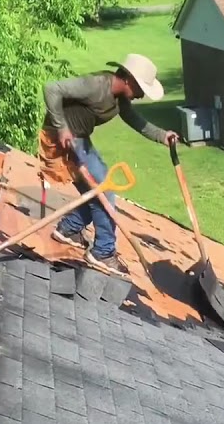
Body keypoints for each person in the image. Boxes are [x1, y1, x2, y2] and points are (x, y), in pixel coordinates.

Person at [38, 53, 179, 274]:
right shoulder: (96, 86)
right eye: (141, 89)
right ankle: (103, 252)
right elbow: (52, 89)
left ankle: (68, 229)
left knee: (95, 191)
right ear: (128, 80)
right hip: (63, 140)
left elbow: (135, 120)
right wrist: (62, 127)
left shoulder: (119, 100)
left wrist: (162, 135)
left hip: (79, 140)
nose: (141, 95)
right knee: (104, 192)